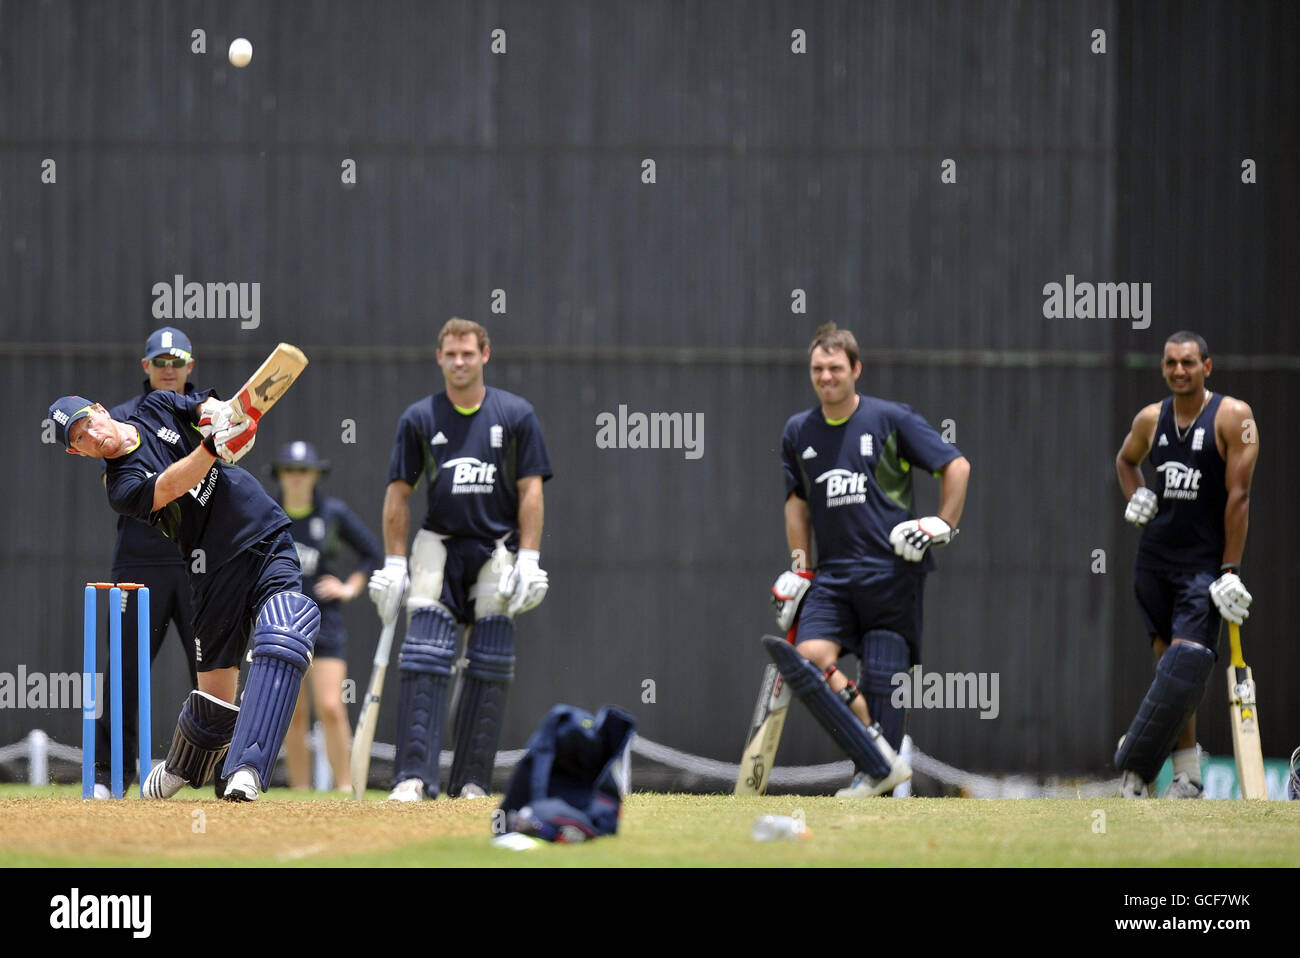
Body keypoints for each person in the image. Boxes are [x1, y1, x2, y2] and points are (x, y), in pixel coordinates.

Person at [48, 382, 318, 802]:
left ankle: (246, 768)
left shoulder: (157, 404)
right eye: (78, 439)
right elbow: (173, 484)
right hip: (211, 566)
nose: (90, 435)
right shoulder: (120, 487)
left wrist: (219, 418)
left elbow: (203, 406)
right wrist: (212, 446)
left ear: (101, 409)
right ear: (76, 453)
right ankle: (180, 766)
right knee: (215, 699)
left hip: (264, 529)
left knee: (286, 632)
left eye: (87, 423)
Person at [769, 323, 970, 797]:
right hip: (833, 578)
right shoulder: (799, 432)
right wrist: (800, 566)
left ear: (855, 369)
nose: (826, 377)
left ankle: (873, 771)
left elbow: (956, 465)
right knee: (809, 659)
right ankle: (876, 752)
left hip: (892, 573)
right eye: (818, 369)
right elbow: (797, 502)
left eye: (835, 368)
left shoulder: (890, 419)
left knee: (885, 678)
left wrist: (941, 523)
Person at [368, 318, 552, 801]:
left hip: (497, 549)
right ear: (439, 357)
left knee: (490, 660)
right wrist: (393, 564)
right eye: (450, 354)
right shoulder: (420, 418)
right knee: (425, 655)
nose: (459, 362)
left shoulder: (515, 415)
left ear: (485, 354)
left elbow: (531, 489)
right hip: (438, 543)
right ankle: (412, 777)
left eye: (468, 353)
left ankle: (471, 781)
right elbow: (397, 493)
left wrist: (529, 558)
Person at [1114, 331, 1257, 798]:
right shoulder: (1150, 419)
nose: (1180, 370)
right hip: (1154, 562)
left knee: (1184, 668)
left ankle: (1138, 765)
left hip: (1202, 567)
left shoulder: (1232, 417)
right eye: (1172, 363)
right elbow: (1125, 461)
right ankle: (1187, 776)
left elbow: (1239, 497)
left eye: (1189, 363)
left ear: (1207, 367)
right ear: (1163, 368)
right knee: (1168, 672)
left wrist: (1230, 568)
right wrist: (1136, 493)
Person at [89, 326, 203, 799]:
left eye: (177, 362)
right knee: (123, 671)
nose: (169, 370)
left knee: (214, 667)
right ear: (146, 367)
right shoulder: (120, 418)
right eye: (161, 362)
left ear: (190, 366)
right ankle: (107, 774)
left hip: (198, 560)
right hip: (140, 560)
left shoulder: (206, 414)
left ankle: (227, 772)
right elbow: (122, 488)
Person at [271, 440, 383, 791]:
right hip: (282, 621)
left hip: (325, 621)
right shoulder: (269, 513)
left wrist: (350, 588)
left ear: (315, 474)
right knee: (292, 714)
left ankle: (346, 787)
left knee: (332, 707)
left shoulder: (332, 513)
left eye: (304, 471)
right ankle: (301, 793)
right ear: (281, 475)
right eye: (290, 470)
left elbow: (372, 553)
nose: (297, 478)